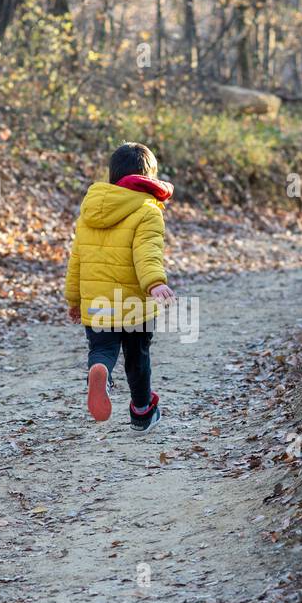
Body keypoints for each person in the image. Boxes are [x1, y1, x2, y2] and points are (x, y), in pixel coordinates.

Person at [64, 141, 175, 433]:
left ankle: (98, 372)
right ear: (148, 177)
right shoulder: (148, 211)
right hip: (134, 304)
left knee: (102, 348)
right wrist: (155, 283)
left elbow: (77, 259)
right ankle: (141, 411)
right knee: (137, 357)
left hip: (96, 301)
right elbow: (147, 253)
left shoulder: (89, 210)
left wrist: (74, 300)